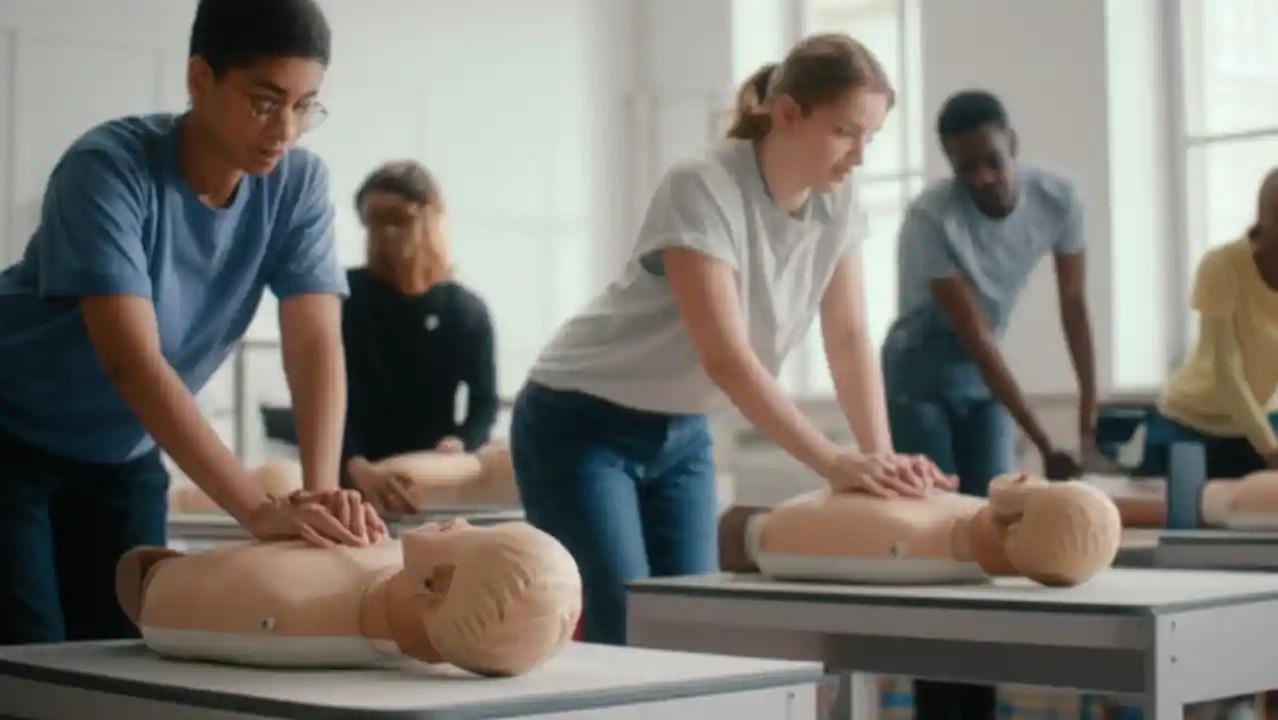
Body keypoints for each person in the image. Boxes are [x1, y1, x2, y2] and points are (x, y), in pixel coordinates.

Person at [509, 33, 951, 646]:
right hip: (579, 421)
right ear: (788, 112)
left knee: (693, 633)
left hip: (684, 433)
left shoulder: (838, 200)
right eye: (847, 132)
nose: (860, 157)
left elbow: (848, 336)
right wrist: (833, 462)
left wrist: (879, 459)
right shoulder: (702, 184)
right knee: (623, 626)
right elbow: (726, 359)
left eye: (871, 137)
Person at [0, 0, 383, 647]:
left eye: (304, 105)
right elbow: (133, 361)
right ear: (200, 79)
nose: (284, 129)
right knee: (28, 655)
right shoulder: (107, 169)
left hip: (122, 455)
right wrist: (258, 510)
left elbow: (315, 344)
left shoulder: (298, 185)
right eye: (265, 101)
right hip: (10, 435)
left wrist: (321, 499)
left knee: (129, 654)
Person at [879, 89, 1099, 720]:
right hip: (920, 371)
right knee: (940, 533)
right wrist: (1042, 439)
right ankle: (941, 708)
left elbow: (1075, 306)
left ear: (1014, 147)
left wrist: (1085, 417)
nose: (982, 178)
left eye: (992, 162)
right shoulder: (931, 220)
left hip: (984, 378)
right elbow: (974, 336)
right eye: (965, 168)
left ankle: (980, 700)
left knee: (998, 532)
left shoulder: (1060, 196)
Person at [340, 159, 498, 483]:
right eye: (374, 221)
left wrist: (463, 442)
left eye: (399, 220)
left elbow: (484, 403)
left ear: (429, 220)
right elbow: (322, 395)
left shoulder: (465, 311)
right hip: (353, 471)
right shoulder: (344, 298)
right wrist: (354, 464)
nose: (386, 233)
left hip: (429, 473)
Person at [1146, 169, 1278, 479]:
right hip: (1188, 423)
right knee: (1181, 518)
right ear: (1263, 217)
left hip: (1257, 421)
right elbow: (1227, 372)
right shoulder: (1221, 266)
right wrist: (1270, 449)